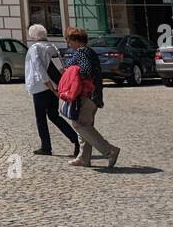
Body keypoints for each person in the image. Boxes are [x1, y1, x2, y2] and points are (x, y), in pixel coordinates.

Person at [63, 28, 121, 169]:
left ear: (76, 40)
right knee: (85, 125)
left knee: (79, 125)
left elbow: (86, 70)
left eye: (69, 40)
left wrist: (70, 72)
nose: (68, 43)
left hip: (86, 95)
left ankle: (109, 150)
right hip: (94, 94)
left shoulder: (82, 52)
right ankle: (84, 158)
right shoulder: (89, 51)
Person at [24, 24, 78, 157]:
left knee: (41, 118)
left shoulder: (35, 48)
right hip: (53, 85)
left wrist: (50, 86)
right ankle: (75, 139)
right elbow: (60, 67)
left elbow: (39, 68)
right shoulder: (52, 47)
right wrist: (57, 86)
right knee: (54, 116)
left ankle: (46, 146)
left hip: (41, 87)